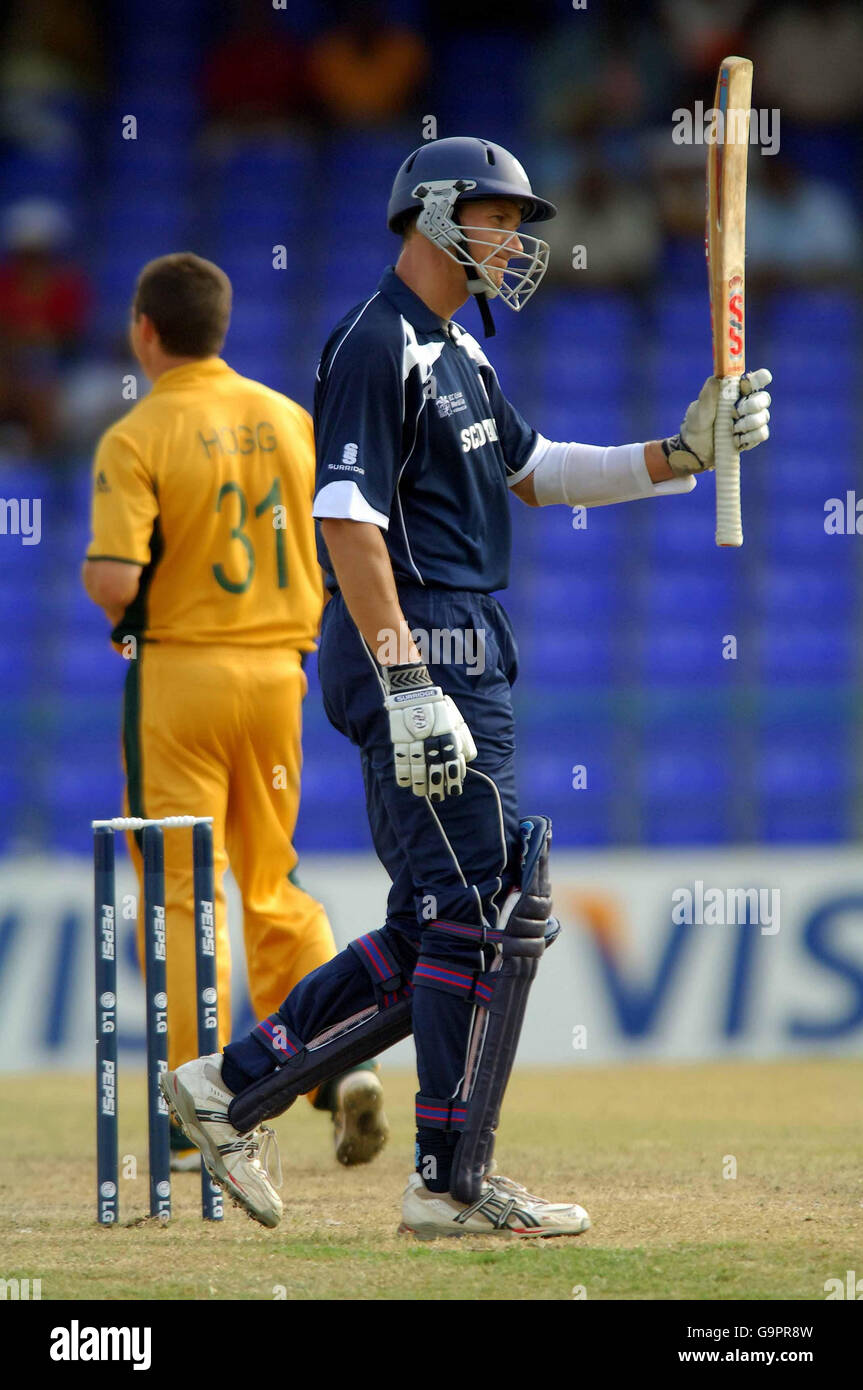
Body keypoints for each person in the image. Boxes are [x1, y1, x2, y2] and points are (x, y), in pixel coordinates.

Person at [161, 140, 772, 1235]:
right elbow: (346, 518)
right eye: (496, 215)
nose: (513, 238)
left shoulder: (460, 352)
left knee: (446, 920)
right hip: (414, 633)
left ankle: (229, 1089)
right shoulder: (374, 340)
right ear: (432, 213)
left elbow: (536, 474)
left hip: (463, 637)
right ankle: (443, 1179)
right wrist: (404, 678)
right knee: (489, 903)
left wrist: (679, 452)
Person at [82, 252, 387, 1176]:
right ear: (220, 328)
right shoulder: (289, 420)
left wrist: (124, 605)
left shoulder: (136, 435)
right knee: (273, 882)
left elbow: (116, 578)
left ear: (145, 331)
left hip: (182, 675)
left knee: (184, 889)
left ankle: (191, 1107)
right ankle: (337, 1065)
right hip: (278, 677)